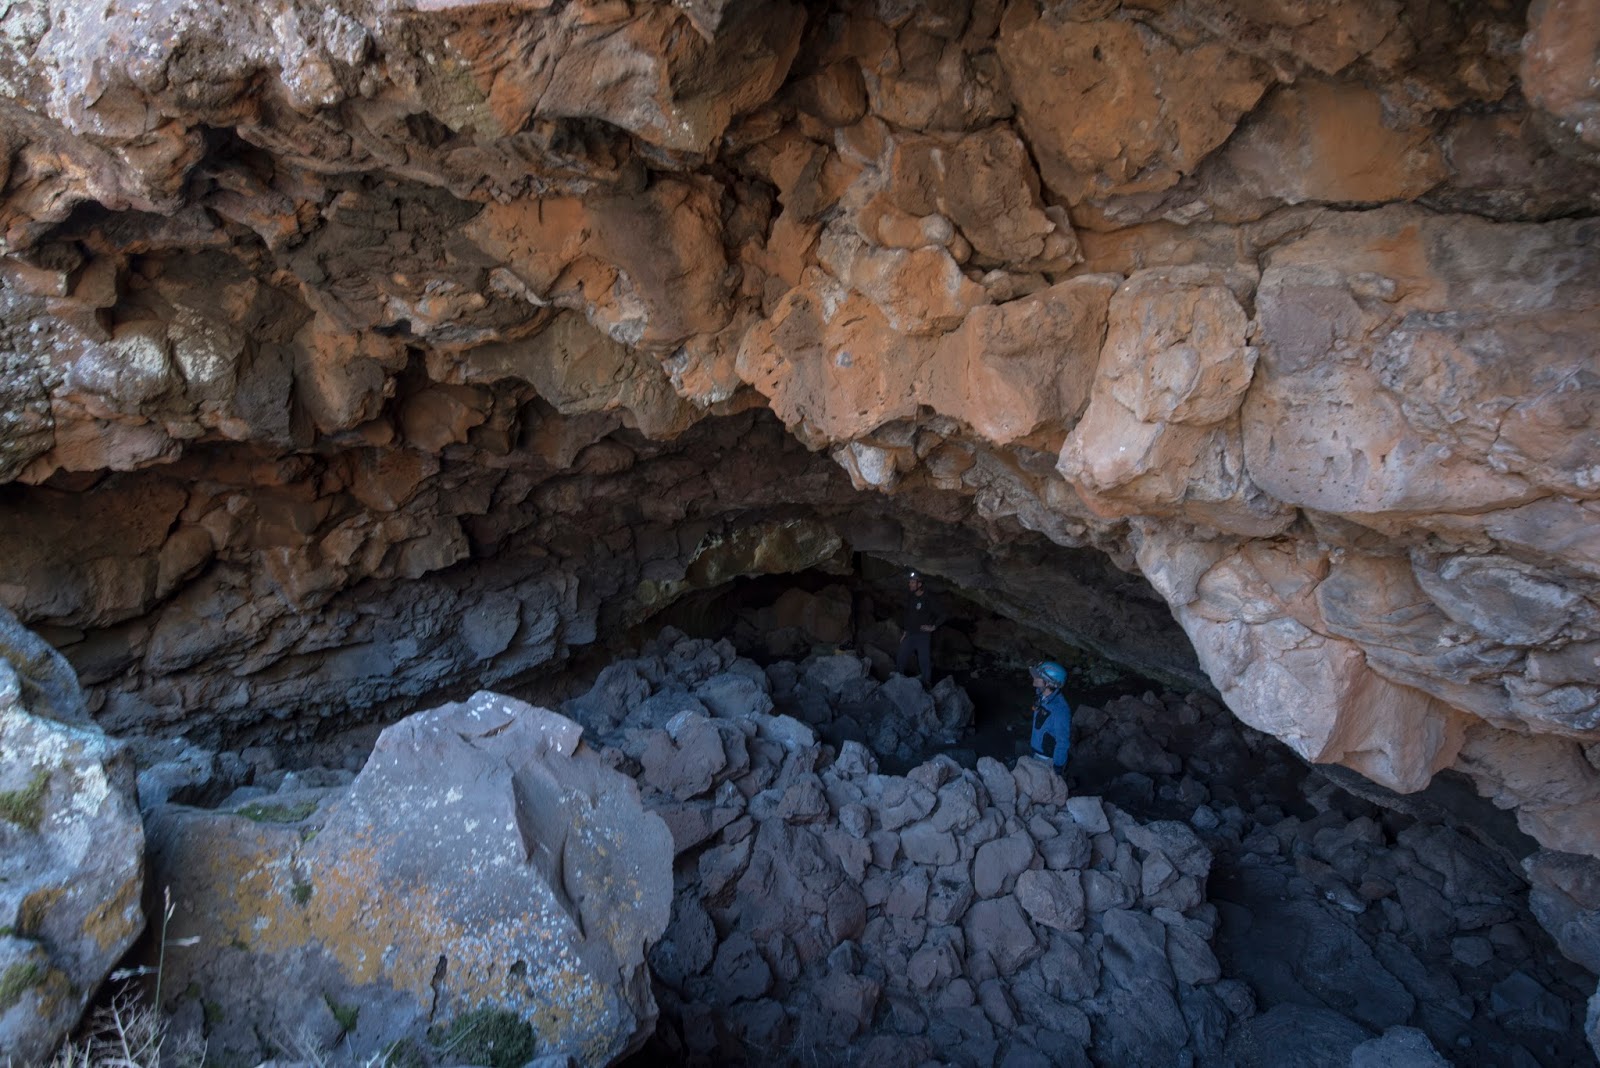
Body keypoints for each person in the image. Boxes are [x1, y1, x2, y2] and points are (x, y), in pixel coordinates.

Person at [895, 569, 942, 686]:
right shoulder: (911, 596)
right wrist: (905, 632)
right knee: (901, 656)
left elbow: (943, 614)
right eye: (909, 582)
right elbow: (908, 615)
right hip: (910, 633)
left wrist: (933, 627)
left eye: (912, 582)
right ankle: (896, 682)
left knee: (924, 661)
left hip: (923, 635)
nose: (909, 584)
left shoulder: (928, 598)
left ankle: (926, 684)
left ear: (919, 584)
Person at [1029, 661, 1072, 775]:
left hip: (1046, 760)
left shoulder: (1060, 710)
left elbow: (1063, 742)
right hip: (1035, 750)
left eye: (1038, 676)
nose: (1034, 677)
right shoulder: (1042, 695)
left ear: (1048, 683)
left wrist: (1058, 766)